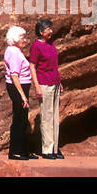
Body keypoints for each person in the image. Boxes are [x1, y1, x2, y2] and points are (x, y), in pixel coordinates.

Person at [30, 18, 63, 159]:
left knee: (55, 116)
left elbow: (54, 64)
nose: (51, 31)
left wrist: (59, 81)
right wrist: (37, 86)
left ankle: (55, 148)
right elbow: (32, 66)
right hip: (44, 84)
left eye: (51, 28)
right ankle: (47, 149)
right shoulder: (36, 46)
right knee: (46, 117)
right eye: (48, 29)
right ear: (41, 31)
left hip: (54, 83)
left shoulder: (51, 43)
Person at [2, 25, 36, 160]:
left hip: (19, 87)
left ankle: (23, 150)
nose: (25, 40)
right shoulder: (15, 53)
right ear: (15, 39)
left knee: (22, 118)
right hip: (18, 87)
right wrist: (22, 95)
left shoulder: (13, 51)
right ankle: (15, 152)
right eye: (22, 37)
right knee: (19, 119)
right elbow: (14, 75)